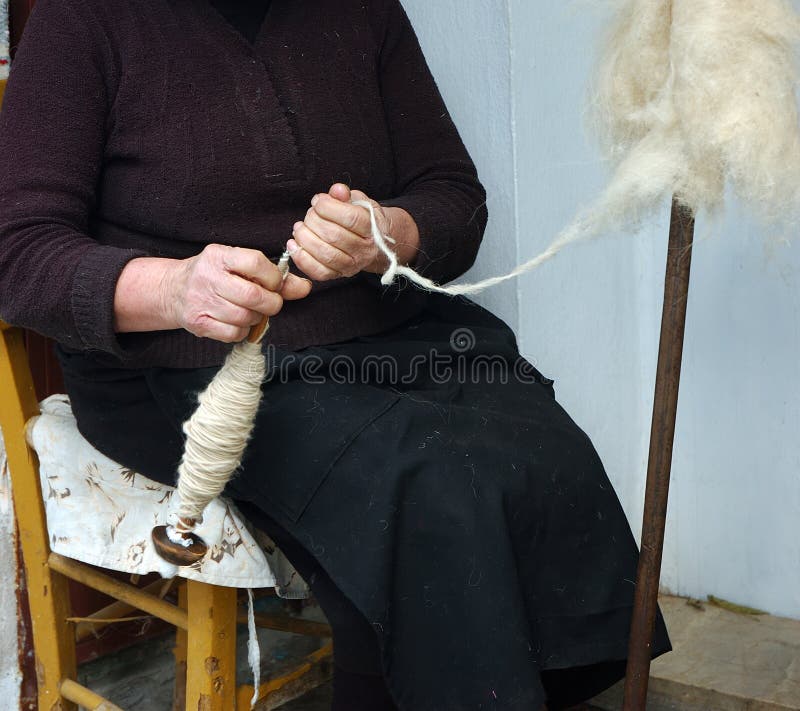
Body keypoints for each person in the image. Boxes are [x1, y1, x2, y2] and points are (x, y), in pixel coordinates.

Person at [0, 0, 671, 708]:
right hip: (184, 367)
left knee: (544, 452)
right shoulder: (83, 20)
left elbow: (454, 196)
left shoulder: (363, 10)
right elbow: (18, 252)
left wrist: (389, 230)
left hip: (378, 336)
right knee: (424, 498)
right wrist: (174, 288)